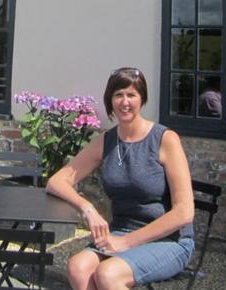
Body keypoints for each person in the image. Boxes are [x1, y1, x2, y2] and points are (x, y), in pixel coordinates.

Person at [46, 67, 195, 290]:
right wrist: (88, 209)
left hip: (168, 240)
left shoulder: (164, 139)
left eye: (131, 95)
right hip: (121, 231)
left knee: (108, 274)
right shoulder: (107, 141)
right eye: (118, 95)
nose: (124, 102)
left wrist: (126, 242)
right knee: (78, 268)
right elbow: (56, 181)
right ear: (110, 100)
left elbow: (184, 212)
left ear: (142, 99)